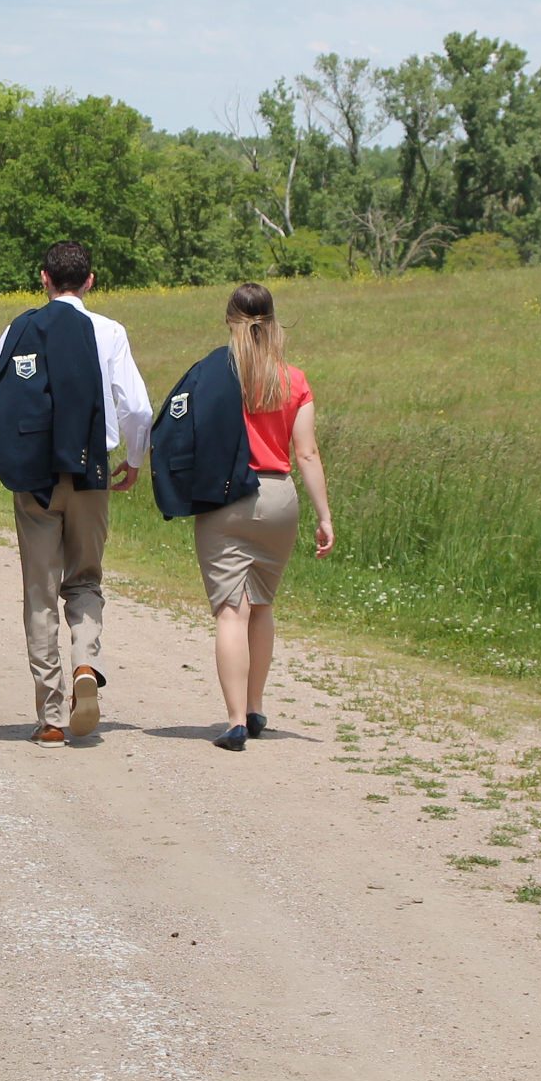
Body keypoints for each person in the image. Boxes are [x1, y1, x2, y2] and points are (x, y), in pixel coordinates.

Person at [153, 282, 334, 751]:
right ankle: (256, 709)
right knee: (263, 605)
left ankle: (234, 722)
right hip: (280, 499)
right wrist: (324, 515)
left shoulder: (218, 376)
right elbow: (307, 453)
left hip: (228, 498)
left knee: (231, 611)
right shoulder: (293, 379)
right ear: (273, 321)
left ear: (231, 321)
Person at [0, 240, 152, 746]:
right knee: (84, 579)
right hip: (91, 471)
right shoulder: (109, 331)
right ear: (90, 281)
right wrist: (135, 460)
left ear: (43, 278)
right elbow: (139, 409)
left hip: (35, 477)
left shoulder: (20, 327)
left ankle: (52, 716)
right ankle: (86, 662)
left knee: (40, 591)